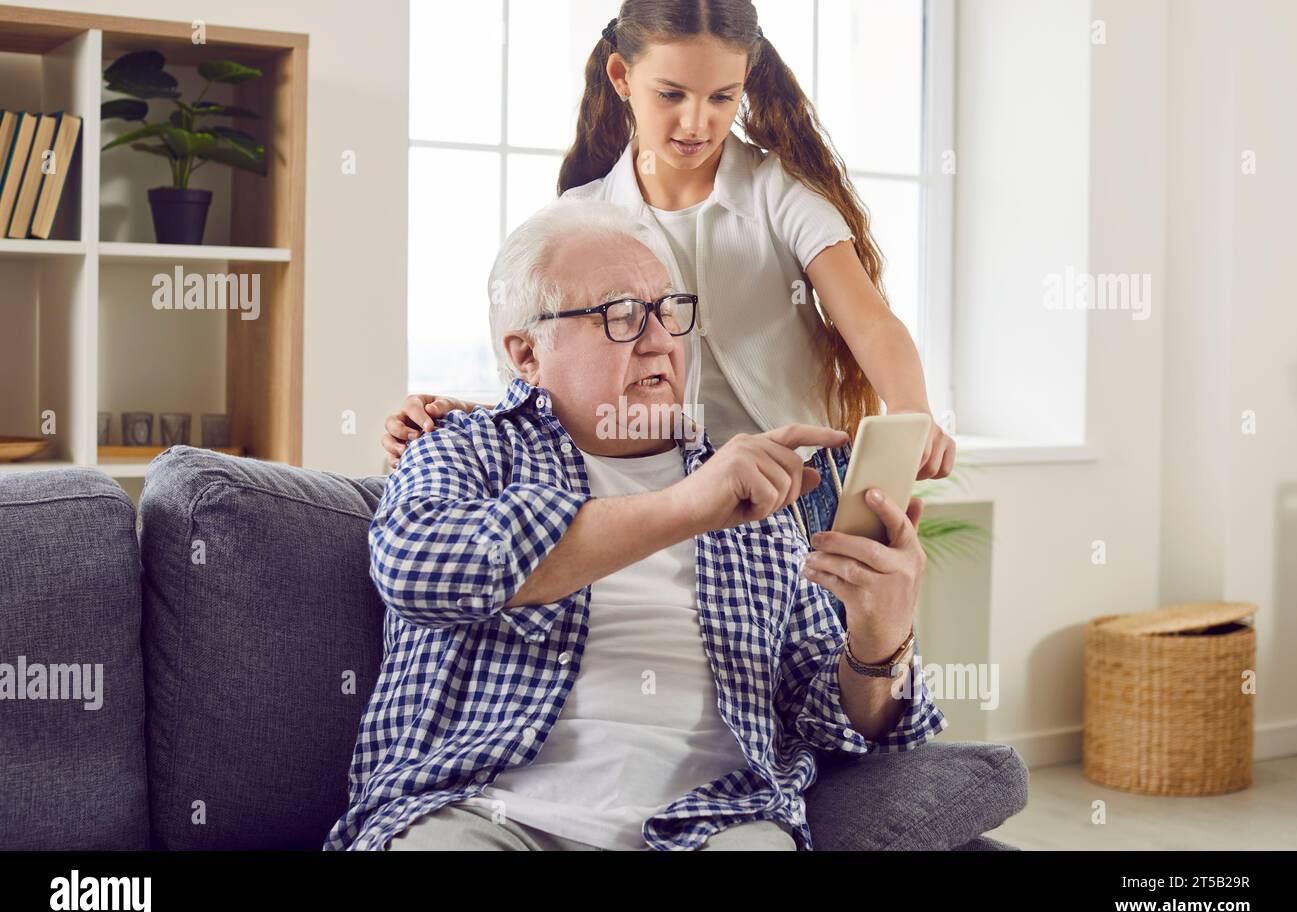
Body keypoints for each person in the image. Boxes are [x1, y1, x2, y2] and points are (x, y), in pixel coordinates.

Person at [324, 199, 946, 852]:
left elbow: (830, 721)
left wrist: (881, 639)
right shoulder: (459, 445)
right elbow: (421, 571)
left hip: (713, 822)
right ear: (526, 353)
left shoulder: (758, 499)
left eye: (669, 311)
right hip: (477, 808)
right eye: (620, 317)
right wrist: (689, 506)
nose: (659, 340)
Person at [384, 0, 955, 540]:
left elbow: (871, 323)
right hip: (675, 498)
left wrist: (912, 410)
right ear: (620, 76)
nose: (696, 122)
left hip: (806, 490)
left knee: (856, 642)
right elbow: (546, 387)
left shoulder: (780, 195)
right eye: (671, 94)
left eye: (722, 97)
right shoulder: (582, 221)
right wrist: (456, 415)